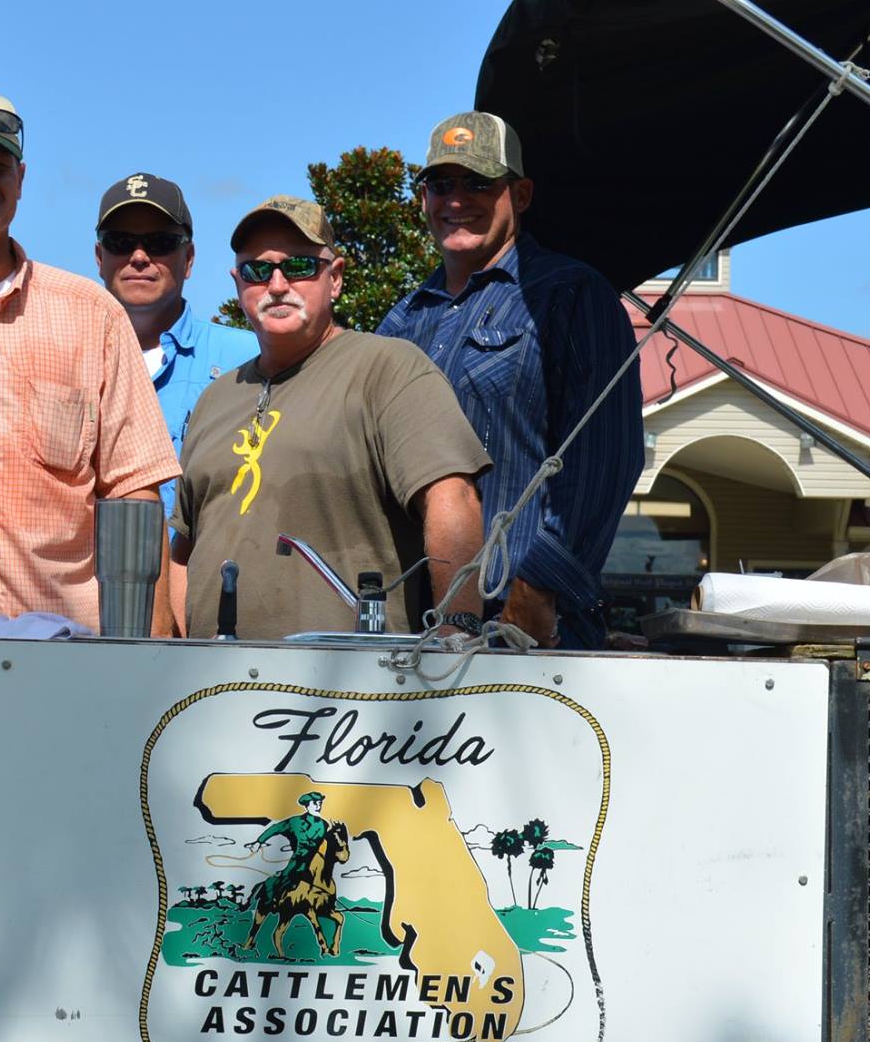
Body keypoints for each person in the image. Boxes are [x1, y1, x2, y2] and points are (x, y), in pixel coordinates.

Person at [0, 89, 177, 629]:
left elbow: (135, 495)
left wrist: (153, 650)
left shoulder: (92, 314)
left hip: (63, 649)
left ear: (21, 179)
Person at [377, 111, 645, 649]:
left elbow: (605, 458)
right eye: (441, 185)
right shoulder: (402, 319)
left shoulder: (572, 294)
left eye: (478, 183)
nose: (456, 200)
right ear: (423, 199)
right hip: (408, 624)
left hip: (523, 624)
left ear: (520, 195)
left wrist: (539, 587)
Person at [170, 197, 491, 639]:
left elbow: (453, 497)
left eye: (299, 267)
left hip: (344, 675)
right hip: (209, 673)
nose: (277, 285)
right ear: (238, 283)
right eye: (257, 271)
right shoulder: (214, 398)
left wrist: (458, 627)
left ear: (335, 278)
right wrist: (172, 650)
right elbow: (183, 549)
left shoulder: (388, 368)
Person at [93, 173, 256, 631]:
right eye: (121, 242)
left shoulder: (250, 358)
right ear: (100, 257)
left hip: (216, 620)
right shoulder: (65, 361)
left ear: (189, 259)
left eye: (161, 242)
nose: (139, 256)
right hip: (88, 620)